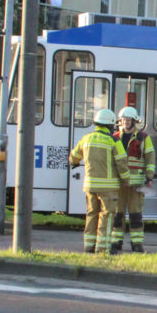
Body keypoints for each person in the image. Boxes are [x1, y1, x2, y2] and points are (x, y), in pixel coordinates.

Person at [68, 108, 130, 253]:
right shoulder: (114, 141)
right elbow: (122, 163)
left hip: (90, 186)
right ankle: (102, 248)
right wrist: (126, 179)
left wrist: (76, 162)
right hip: (108, 188)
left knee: (91, 215)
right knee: (107, 217)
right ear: (110, 125)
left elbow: (73, 158)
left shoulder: (86, 138)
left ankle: (88, 246)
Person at [111, 106, 155, 253]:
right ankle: (116, 242)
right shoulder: (115, 137)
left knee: (135, 214)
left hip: (136, 183)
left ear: (134, 121)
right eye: (123, 119)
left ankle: (137, 244)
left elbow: (150, 158)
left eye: (128, 119)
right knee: (118, 214)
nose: (125, 122)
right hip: (120, 183)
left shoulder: (143, 137)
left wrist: (149, 177)